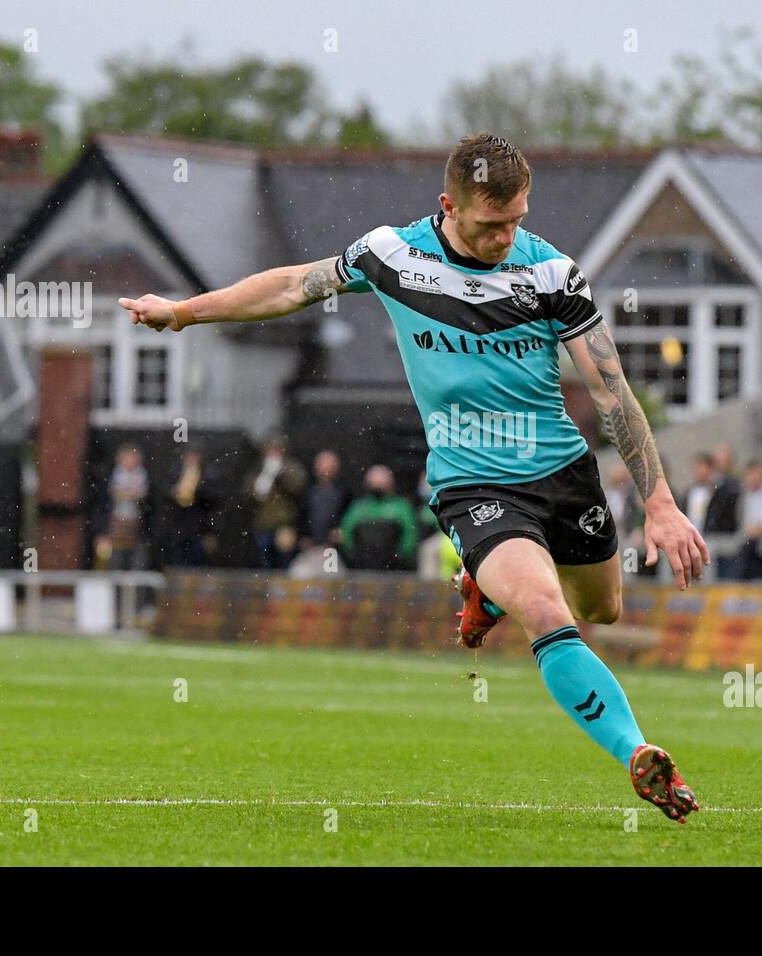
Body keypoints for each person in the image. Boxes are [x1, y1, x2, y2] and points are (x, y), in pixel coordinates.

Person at [118, 133, 708, 823]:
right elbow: (291, 286)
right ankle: (638, 754)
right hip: (474, 483)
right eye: (492, 224)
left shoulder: (551, 275)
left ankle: (481, 590)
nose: (506, 236)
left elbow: (612, 394)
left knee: (601, 608)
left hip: (563, 472)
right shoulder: (393, 255)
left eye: (517, 218)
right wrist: (185, 312)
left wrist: (659, 502)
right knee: (546, 613)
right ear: (448, 207)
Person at [338, 465, 419, 571]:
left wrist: (400, 557)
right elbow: (346, 533)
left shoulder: (401, 507)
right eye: (375, 482)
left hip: (395, 569)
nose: (378, 485)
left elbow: (410, 536)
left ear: (391, 483)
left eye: (382, 482)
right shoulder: (358, 507)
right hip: (362, 567)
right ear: (367, 483)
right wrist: (354, 557)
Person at [245, 434, 308, 570]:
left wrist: (281, 475)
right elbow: (251, 493)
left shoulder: (292, 467)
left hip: (284, 524)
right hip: (263, 524)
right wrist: (265, 477)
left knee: (284, 562)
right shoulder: (259, 468)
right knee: (264, 562)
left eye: (277, 449)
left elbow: (298, 487)